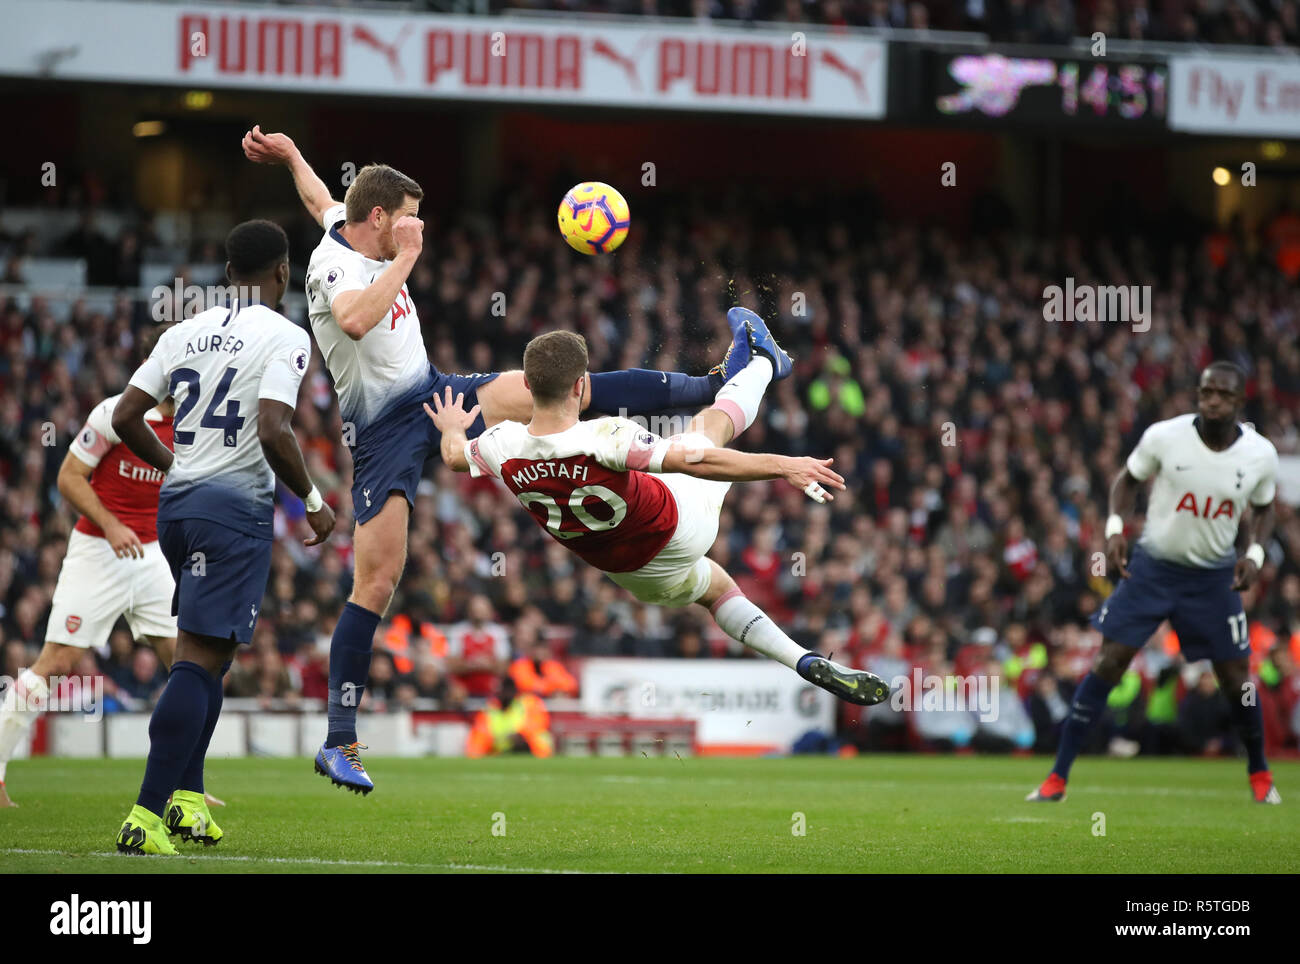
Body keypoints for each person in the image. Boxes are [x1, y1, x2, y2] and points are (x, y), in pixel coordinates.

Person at [241, 126, 754, 793]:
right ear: (378, 221)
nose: (415, 228)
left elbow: (319, 201)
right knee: (376, 583)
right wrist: (406, 261)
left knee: (567, 386)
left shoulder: (346, 223)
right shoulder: (339, 268)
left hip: (432, 393)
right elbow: (358, 320)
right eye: (407, 220)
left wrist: (289, 157)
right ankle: (340, 741)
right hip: (383, 430)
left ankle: (712, 382)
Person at [427, 320, 890, 707]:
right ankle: (769, 360)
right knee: (702, 433)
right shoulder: (602, 434)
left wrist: (451, 426)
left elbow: (452, 456)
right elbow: (696, 463)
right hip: (677, 527)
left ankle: (802, 661)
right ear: (581, 386)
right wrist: (782, 465)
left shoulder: (500, 444)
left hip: (630, 573)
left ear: (526, 384)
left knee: (715, 590)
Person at [110, 219, 335, 854]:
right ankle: (145, 816)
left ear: (229, 270)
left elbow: (126, 415)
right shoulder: (287, 336)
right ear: (283, 273)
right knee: (197, 661)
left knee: (212, 657)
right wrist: (315, 503)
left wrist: (175, 464)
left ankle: (185, 801)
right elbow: (272, 429)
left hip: (177, 508)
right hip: (232, 516)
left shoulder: (181, 331)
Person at [1027, 362, 1282, 804]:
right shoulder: (1165, 436)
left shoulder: (1260, 454)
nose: (1212, 401)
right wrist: (1113, 529)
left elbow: (1264, 508)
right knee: (1109, 661)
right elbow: (1128, 480)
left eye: (1222, 394)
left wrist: (1254, 554)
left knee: (1235, 676)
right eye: (1206, 392)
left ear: (1239, 402)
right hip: (1154, 568)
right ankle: (1057, 778)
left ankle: (1260, 774)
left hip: (1212, 576)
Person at [0, 327, 206, 808]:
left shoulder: (196, 425)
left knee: (191, 666)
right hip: (97, 550)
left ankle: (186, 786)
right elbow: (69, 478)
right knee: (56, 663)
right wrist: (111, 525)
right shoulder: (116, 412)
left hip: (152, 555)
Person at [465, 675, 554, 758]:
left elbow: (538, 723)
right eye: (504, 691)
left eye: (509, 690)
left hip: (526, 745)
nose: (506, 694)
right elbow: (480, 732)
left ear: (515, 691)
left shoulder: (527, 704)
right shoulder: (489, 710)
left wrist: (521, 734)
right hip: (498, 749)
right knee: (478, 741)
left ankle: (542, 756)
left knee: (540, 737)